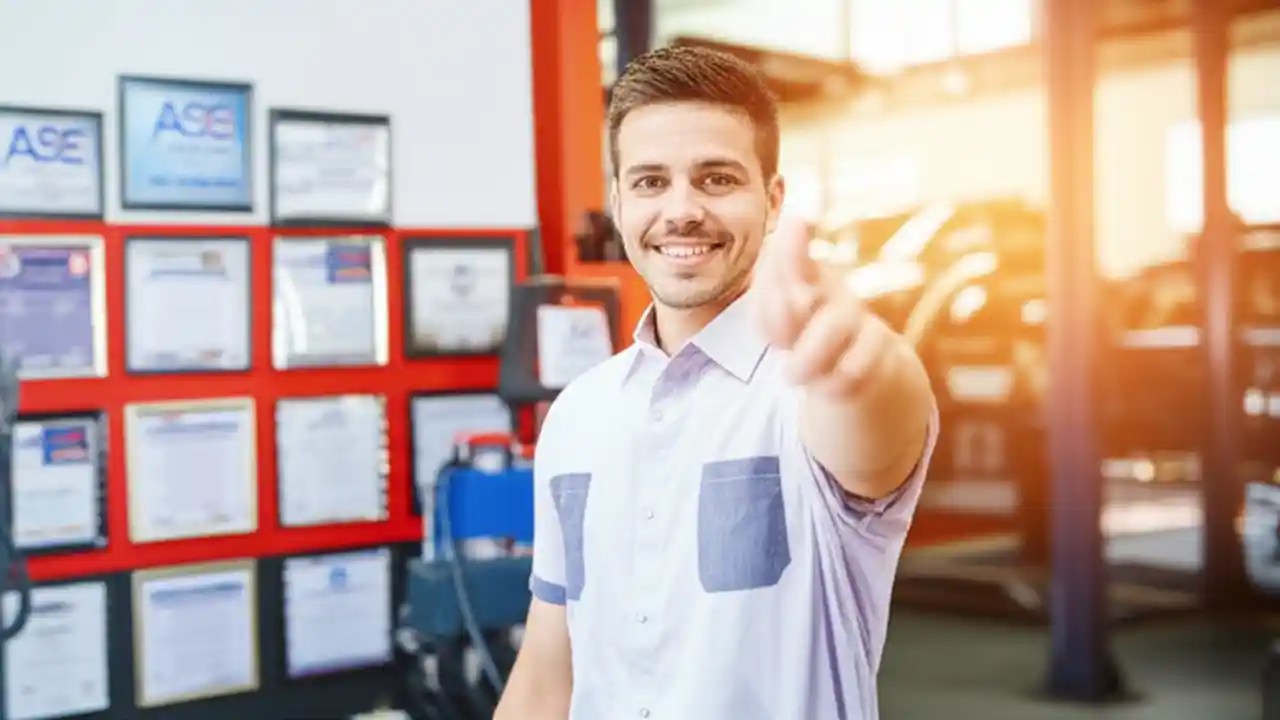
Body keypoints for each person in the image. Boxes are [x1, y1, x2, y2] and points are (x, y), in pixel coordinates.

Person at [495, 45, 938, 720]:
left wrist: (863, 364)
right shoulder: (579, 415)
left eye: (716, 179)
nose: (681, 210)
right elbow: (548, 670)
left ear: (773, 198)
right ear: (617, 202)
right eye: (649, 182)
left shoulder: (809, 389)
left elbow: (876, 424)